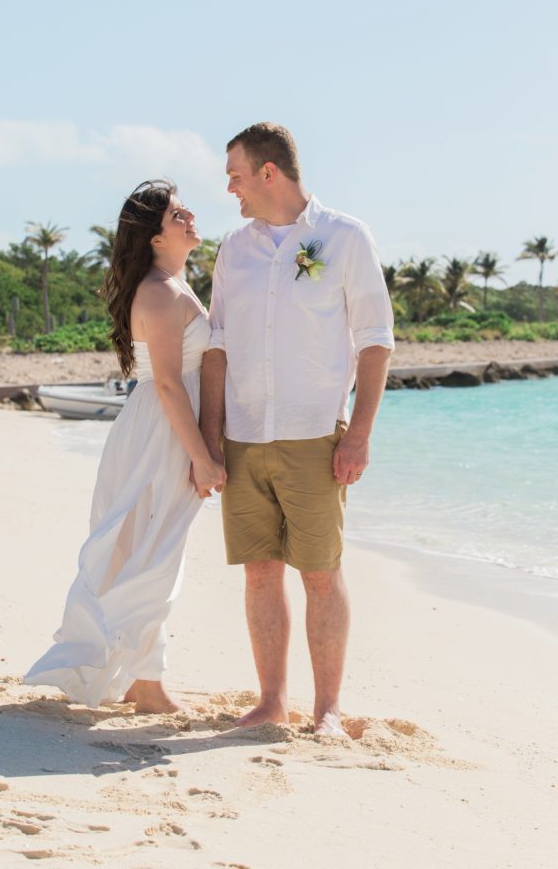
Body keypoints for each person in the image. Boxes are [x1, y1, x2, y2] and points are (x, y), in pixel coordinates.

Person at [200, 124, 394, 737]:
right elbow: (217, 346)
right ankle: (271, 701)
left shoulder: (345, 237)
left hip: (315, 435)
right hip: (243, 436)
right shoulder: (233, 249)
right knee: (259, 572)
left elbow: (375, 341)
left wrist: (359, 434)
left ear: (268, 172)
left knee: (320, 572)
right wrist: (210, 436)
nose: (229, 188)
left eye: (235, 176)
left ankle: (327, 709)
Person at [25, 181, 226, 713]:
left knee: (151, 548)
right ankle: (149, 684)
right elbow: (168, 384)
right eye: (177, 213)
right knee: (154, 551)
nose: (190, 215)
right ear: (155, 237)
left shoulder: (173, 285)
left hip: (161, 427)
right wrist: (203, 456)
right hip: (160, 431)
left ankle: (142, 678)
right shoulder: (160, 292)